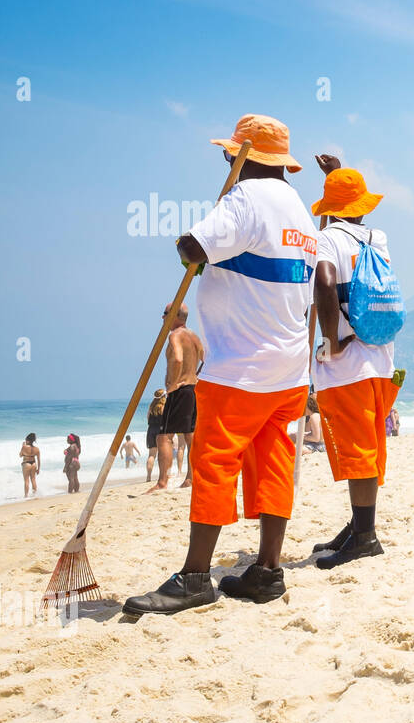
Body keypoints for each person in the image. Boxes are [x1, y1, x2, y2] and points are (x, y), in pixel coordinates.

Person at [124, 113, 315, 615]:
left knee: (213, 466)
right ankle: (267, 571)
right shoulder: (299, 209)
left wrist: (194, 240)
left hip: (241, 367)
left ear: (242, 156)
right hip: (290, 368)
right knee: (273, 461)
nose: (226, 159)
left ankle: (194, 579)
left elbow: (193, 249)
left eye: (230, 153)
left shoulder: (244, 198)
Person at [307, 159, 402, 568]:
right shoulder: (375, 237)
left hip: (348, 365)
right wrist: (338, 176)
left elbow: (325, 283)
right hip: (381, 359)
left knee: (358, 450)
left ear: (330, 208)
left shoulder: (327, 239)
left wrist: (329, 342)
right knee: (369, 445)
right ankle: (357, 525)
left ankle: (365, 536)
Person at [145, 302, 204, 492]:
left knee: (163, 437)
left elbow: (178, 358)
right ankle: (191, 478)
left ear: (176, 316)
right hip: (193, 388)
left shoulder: (175, 336)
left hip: (179, 390)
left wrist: (173, 384)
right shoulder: (193, 336)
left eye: (165, 313)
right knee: (190, 435)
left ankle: (162, 482)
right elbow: (207, 358)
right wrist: (196, 376)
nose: (162, 317)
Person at [145, 389, 165, 480]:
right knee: (162, 455)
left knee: (151, 455)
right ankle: (162, 476)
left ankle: (148, 476)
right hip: (160, 431)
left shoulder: (151, 406)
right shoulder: (163, 407)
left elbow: (148, 418)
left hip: (151, 430)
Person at [19, 433, 40, 497]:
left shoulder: (24, 447)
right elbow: (39, 460)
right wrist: (38, 469)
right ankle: (35, 494)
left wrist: (22, 446)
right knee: (33, 479)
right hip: (34, 464)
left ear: (28, 440)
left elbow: (20, 455)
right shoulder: (36, 449)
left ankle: (26, 496)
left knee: (26, 480)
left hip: (26, 463)